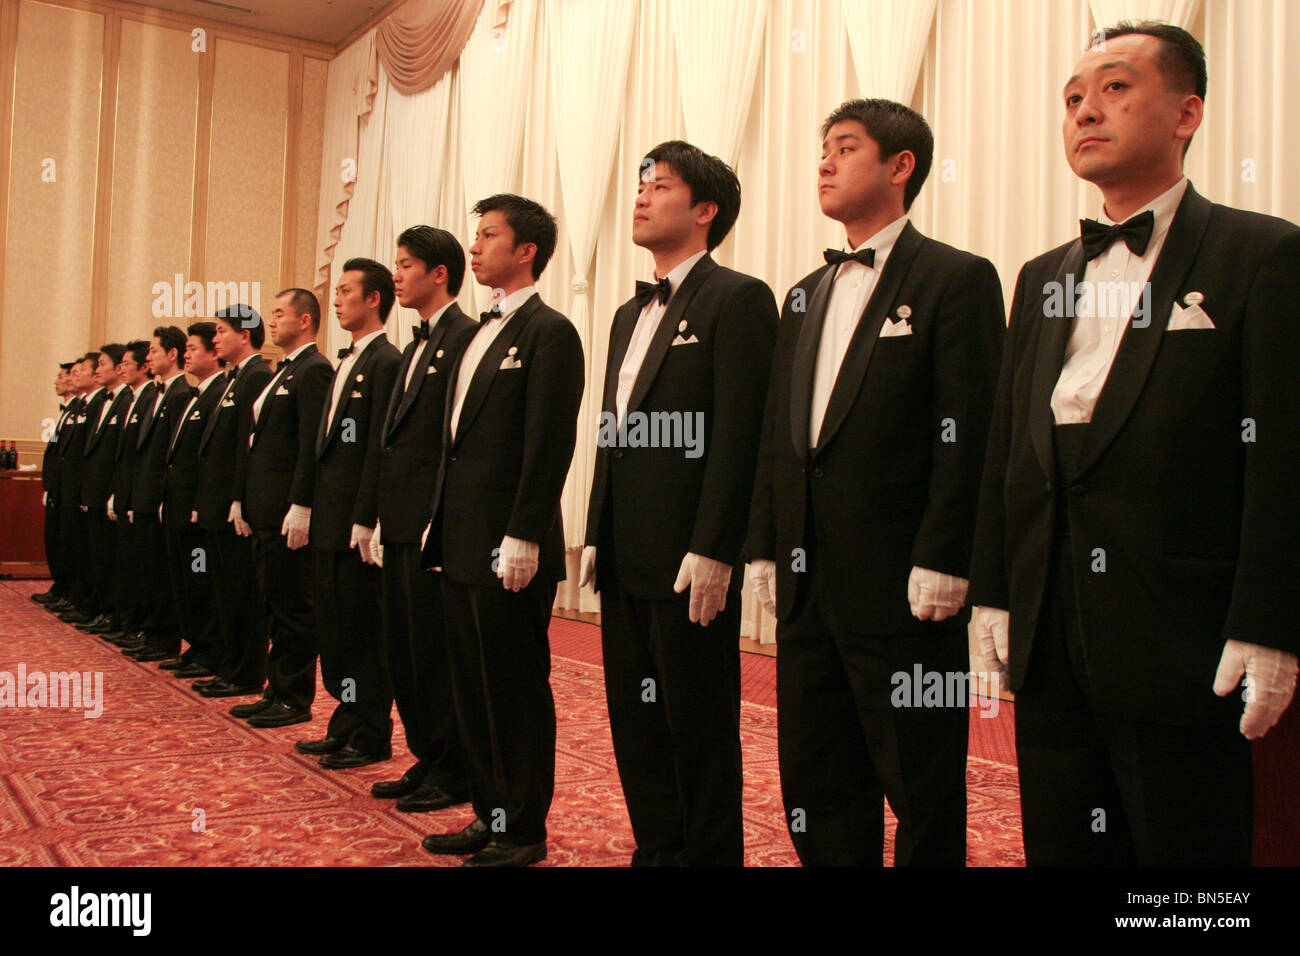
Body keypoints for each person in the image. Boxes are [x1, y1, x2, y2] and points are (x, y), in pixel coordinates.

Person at [969, 21, 1299, 866]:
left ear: (1187, 113)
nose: (1086, 110)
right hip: (1050, 632)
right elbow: (1011, 446)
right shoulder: (1042, 275)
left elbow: (1283, 456)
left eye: (1115, 88)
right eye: (1073, 98)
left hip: (1180, 636)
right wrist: (996, 593)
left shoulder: (1261, 254)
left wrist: (1271, 623)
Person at [746, 98, 1005, 866]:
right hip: (806, 582)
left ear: (901, 166)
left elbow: (970, 430)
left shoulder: (958, 278)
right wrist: (764, 541)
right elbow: (779, 433)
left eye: (845, 147)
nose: (823, 162)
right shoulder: (802, 293)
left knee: (920, 780)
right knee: (818, 777)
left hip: (905, 587)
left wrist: (950, 557)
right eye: (821, 148)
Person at [581, 141, 778, 866]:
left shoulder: (739, 298)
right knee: (635, 722)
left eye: (658, 187)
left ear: (704, 211)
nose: (640, 197)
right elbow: (612, 429)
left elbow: (741, 432)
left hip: (690, 555)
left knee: (697, 725)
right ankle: (658, 851)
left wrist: (719, 544)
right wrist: (596, 524)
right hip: (624, 550)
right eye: (640, 185)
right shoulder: (629, 312)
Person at [420, 194, 584, 867]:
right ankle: (488, 815)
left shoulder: (551, 332)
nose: (476, 246)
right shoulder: (473, 333)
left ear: (526, 251)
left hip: (509, 546)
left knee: (515, 686)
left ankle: (523, 828)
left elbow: (549, 443)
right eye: (475, 234)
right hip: (459, 541)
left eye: (489, 235)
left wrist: (524, 534)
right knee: (471, 685)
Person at [366, 227, 477, 811]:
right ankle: (425, 756)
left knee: (437, 654)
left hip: (434, 524)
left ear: (440, 273)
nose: (397, 275)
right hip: (400, 521)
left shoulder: (467, 336)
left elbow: (452, 441)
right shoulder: (413, 345)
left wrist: (436, 517)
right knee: (404, 650)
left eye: (406, 265)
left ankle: (453, 767)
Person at [305, 259, 401, 766]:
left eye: (346, 291)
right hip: (327, 517)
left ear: (374, 300)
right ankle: (344, 720)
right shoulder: (344, 361)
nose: (337, 300)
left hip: (354, 522)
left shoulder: (387, 361)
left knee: (363, 630)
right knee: (334, 628)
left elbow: (378, 449)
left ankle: (371, 731)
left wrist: (367, 515)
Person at [232, 289, 332, 728]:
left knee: (294, 607)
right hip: (264, 508)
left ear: (305, 320)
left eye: (279, 313)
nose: (271, 321)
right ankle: (276, 689)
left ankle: (294, 696)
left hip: (286, 510)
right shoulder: (282, 371)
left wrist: (302, 504)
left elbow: (312, 443)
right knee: (274, 602)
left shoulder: (314, 370)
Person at [192, 306, 271, 700]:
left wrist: (239, 498)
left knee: (242, 594)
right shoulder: (231, 378)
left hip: (234, 507)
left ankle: (245, 672)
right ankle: (230, 665)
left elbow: (247, 446)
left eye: (223, 331)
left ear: (245, 335)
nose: (216, 338)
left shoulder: (256, 375)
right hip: (217, 505)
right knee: (224, 590)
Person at [131, 326, 196, 669]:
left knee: (163, 572)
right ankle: (152, 630)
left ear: (173, 354)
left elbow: (174, 455)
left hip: (164, 496)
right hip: (148, 494)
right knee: (148, 568)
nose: (149, 357)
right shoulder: (160, 393)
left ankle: (164, 635)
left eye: (154, 351)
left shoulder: (181, 393)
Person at [161, 324, 221, 682]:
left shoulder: (215, 395)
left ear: (213, 353)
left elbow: (210, 458)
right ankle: (196, 646)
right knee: (187, 582)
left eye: (193, 348)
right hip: (181, 507)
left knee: (201, 582)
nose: (186, 355)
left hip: (199, 510)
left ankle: (209, 649)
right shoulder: (195, 393)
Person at [78, 344, 134, 637]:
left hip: (112, 493)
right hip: (95, 492)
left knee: (114, 560)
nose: (98, 370)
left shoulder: (126, 399)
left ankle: (115, 614)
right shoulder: (102, 402)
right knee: (98, 557)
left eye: (102, 364)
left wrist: (114, 492)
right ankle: (103, 609)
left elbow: (120, 454)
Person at [33, 363, 77, 607]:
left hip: (71, 489)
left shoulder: (79, 410)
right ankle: (60, 586)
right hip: (58, 488)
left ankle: (68, 590)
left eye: (62, 376)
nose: (56, 381)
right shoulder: (65, 411)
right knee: (56, 539)